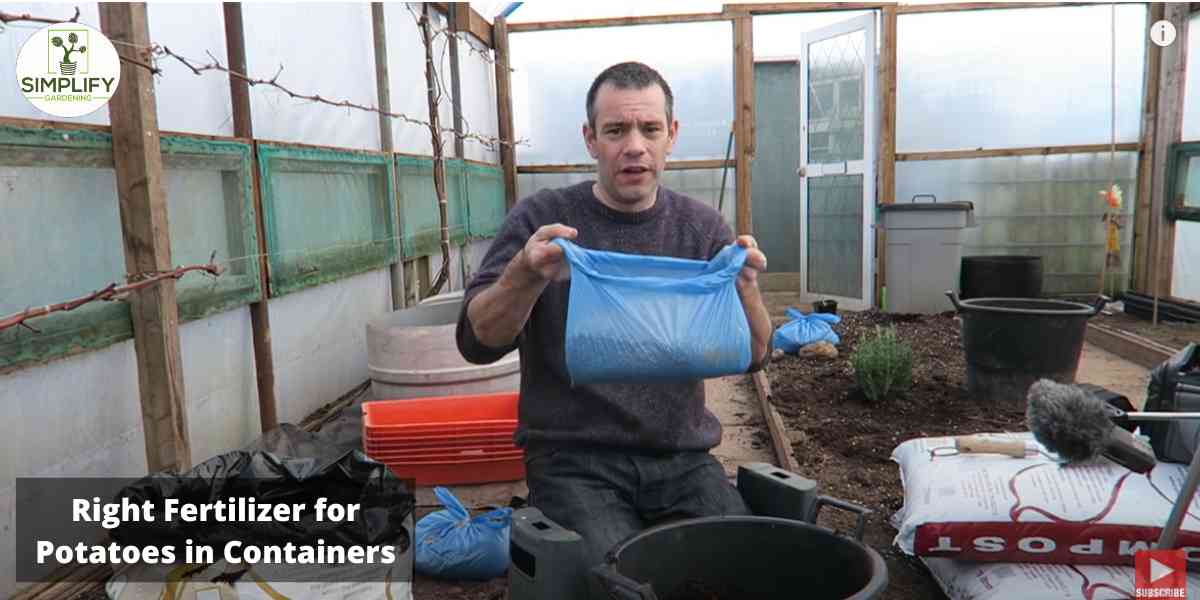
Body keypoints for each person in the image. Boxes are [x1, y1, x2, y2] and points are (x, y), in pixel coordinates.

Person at [456, 61, 774, 582]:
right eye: (615, 130)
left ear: (670, 135)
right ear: (590, 139)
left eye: (649, 129)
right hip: (573, 460)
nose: (634, 146)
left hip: (681, 457)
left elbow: (757, 355)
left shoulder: (700, 229)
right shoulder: (545, 221)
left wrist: (746, 290)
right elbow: (477, 342)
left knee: (738, 566)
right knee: (617, 580)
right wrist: (525, 275)